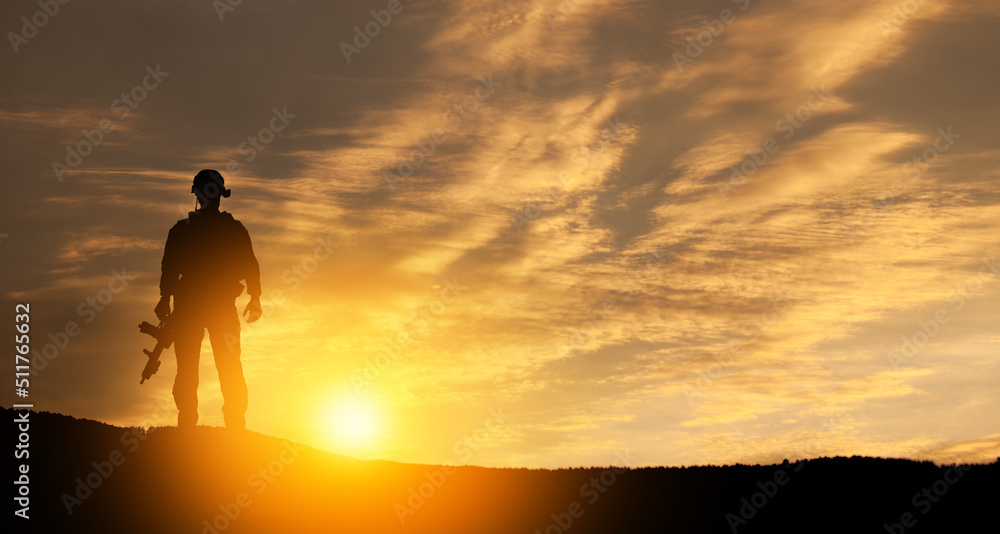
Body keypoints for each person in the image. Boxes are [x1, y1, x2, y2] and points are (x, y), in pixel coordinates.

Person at [154, 169, 262, 430]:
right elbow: (250, 266)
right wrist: (255, 297)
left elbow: (169, 270)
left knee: (205, 366)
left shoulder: (183, 231)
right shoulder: (231, 230)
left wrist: (164, 299)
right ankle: (221, 425)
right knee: (215, 366)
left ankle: (196, 423)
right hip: (211, 308)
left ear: (198, 195)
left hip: (197, 308)